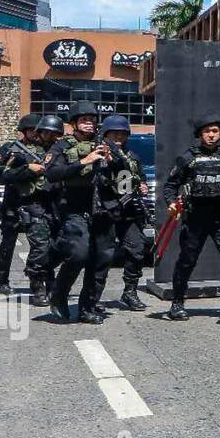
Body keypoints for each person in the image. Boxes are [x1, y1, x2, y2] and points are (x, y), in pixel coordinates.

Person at [162, 113, 220, 322]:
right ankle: (177, 304)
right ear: (200, 134)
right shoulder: (188, 157)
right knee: (187, 261)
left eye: (215, 131)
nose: (211, 135)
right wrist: (172, 203)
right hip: (195, 218)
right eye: (207, 131)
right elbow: (170, 185)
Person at [43, 102, 117, 324]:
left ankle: (88, 307)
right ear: (73, 123)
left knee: (102, 259)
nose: (90, 123)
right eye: (84, 120)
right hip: (75, 209)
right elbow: (51, 173)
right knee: (79, 254)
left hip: (103, 210)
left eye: (93, 120)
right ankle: (59, 295)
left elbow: (126, 175)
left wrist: (114, 162)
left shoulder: (105, 144)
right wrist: (84, 161)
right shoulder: (62, 146)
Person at [1, 115, 62, 305]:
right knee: (40, 248)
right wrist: (28, 170)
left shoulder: (60, 151)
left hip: (57, 206)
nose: (49, 136)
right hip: (33, 206)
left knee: (59, 247)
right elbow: (4, 175)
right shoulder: (22, 153)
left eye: (54, 134)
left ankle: (50, 280)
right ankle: (38, 287)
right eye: (45, 132)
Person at [91, 115, 150, 312]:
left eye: (122, 134)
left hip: (128, 210)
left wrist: (142, 185)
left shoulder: (132, 157)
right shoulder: (97, 154)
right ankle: (94, 296)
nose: (118, 137)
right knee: (103, 256)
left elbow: (138, 178)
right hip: (105, 211)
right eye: (114, 133)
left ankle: (130, 292)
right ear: (105, 134)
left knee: (137, 249)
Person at [0, 113, 42, 295]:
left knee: (39, 244)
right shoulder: (11, 148)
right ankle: (2, 281)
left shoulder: (46, 148)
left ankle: (36, 279)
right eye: (32, 130)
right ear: (24, 131)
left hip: (36, 201)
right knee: (8, 244)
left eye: (38, 130)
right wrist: (20, 167)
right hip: (12, 202)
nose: (36, 134)